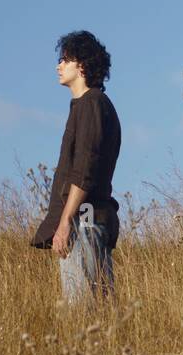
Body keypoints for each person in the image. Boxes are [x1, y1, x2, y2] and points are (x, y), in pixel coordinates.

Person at [30, 30, 121, 304]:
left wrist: (65, 222)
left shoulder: (91, 103)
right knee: (100, 312)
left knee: (82, 313)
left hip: (84, 223)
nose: (59, 66)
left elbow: (84, 169)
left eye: (65, 60)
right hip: (89, 221)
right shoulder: (91, 105)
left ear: (81, 65)